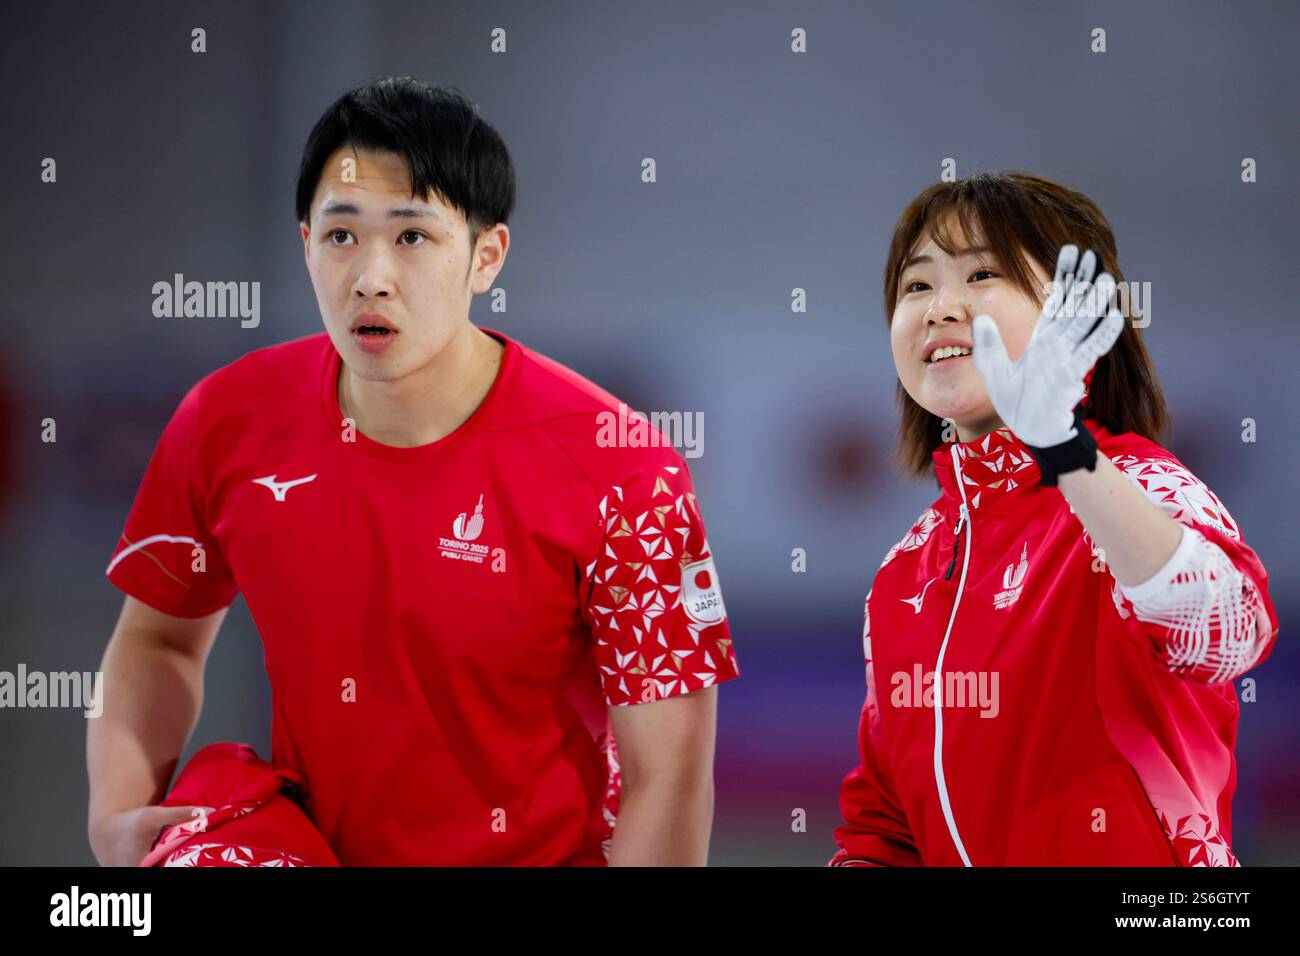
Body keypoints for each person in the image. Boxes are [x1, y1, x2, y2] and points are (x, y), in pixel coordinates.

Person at [89, 76, 738, 867]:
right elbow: (159, 638)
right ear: (305, 245)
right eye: (341, 236)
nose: (370, 277)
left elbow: (666, 777)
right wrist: (116, 813)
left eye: (411, 237)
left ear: (486, 256)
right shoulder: (225, 420)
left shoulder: (625, 467)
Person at [829, 172, 1277, 866]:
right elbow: (885, 831)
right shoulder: (904, 573)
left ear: (1077, 312)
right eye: (916, 285)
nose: (940, 307)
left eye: (982, 273)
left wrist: (1064, 450)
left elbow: (1226, 636)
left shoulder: (1139, 482)